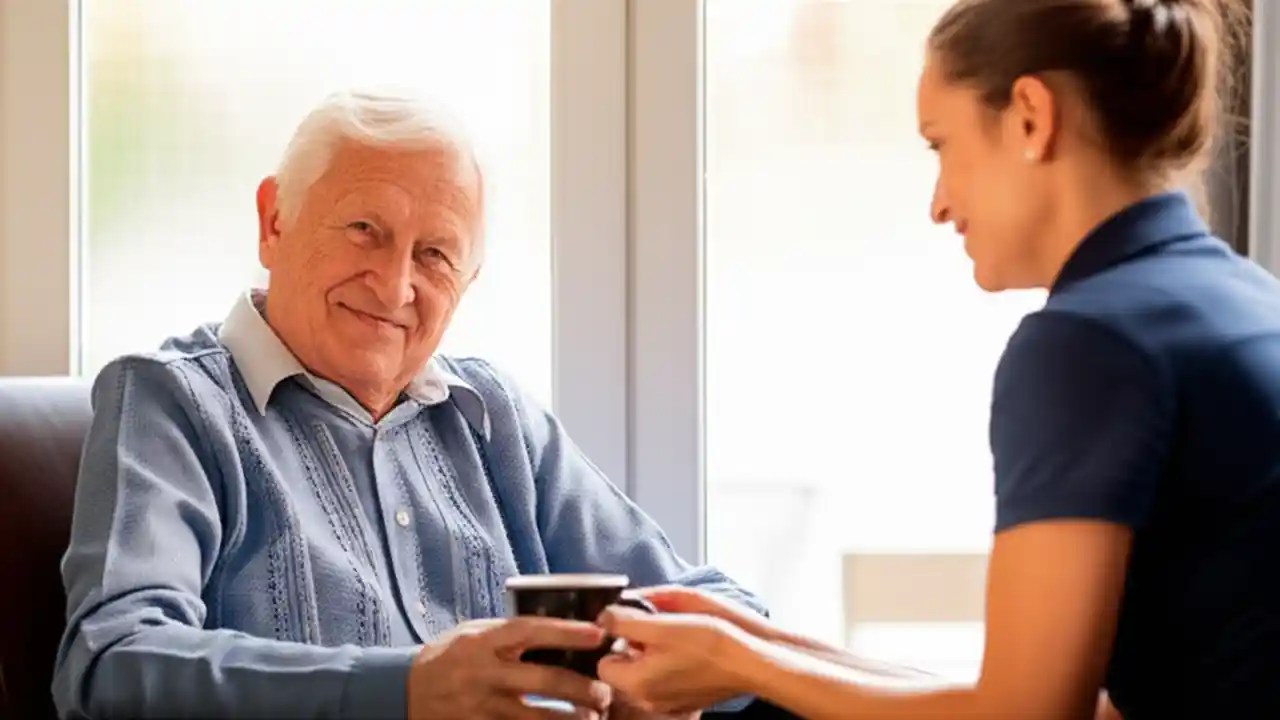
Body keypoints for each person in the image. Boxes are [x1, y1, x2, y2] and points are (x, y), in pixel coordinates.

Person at [592, 0, 1278, 718]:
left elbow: (1027, 715)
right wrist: (758, 647)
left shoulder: (1090, 345)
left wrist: (741, 665)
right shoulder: (1242, 300)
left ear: (1030, 117)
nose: (939, 204)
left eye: (940, 145)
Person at [52, 89, 762, 720]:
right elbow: (111, 662)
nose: (394, 287)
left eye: (434, 256)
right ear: (273, 222)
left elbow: (717, 611)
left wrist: (650, 674)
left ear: (467, 280)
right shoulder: (171, 401)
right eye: (365, 230)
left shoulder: (494, 418)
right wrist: (406, 691)